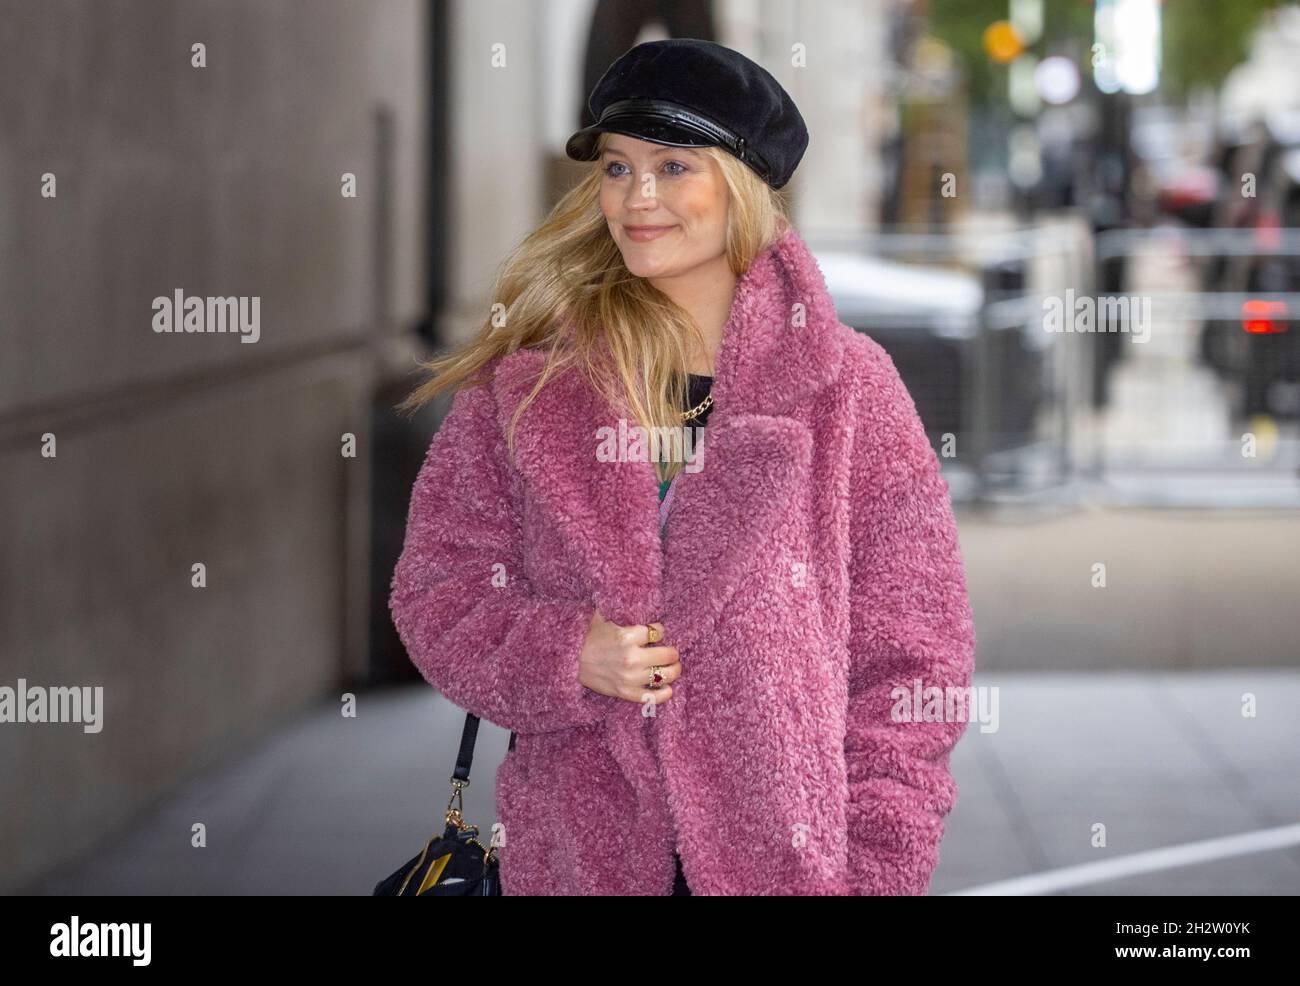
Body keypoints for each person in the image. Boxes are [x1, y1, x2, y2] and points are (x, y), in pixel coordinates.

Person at [389, 38, 976, 896]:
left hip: (783, 866)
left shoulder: (847, 390)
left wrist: (877, 871)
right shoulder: (529, 389)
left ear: (741, 190)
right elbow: (436, 591)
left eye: (673, 167)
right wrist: (565, 656)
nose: (638, 199)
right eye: (619, 170)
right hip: (580, 862)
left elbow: (917, 660)